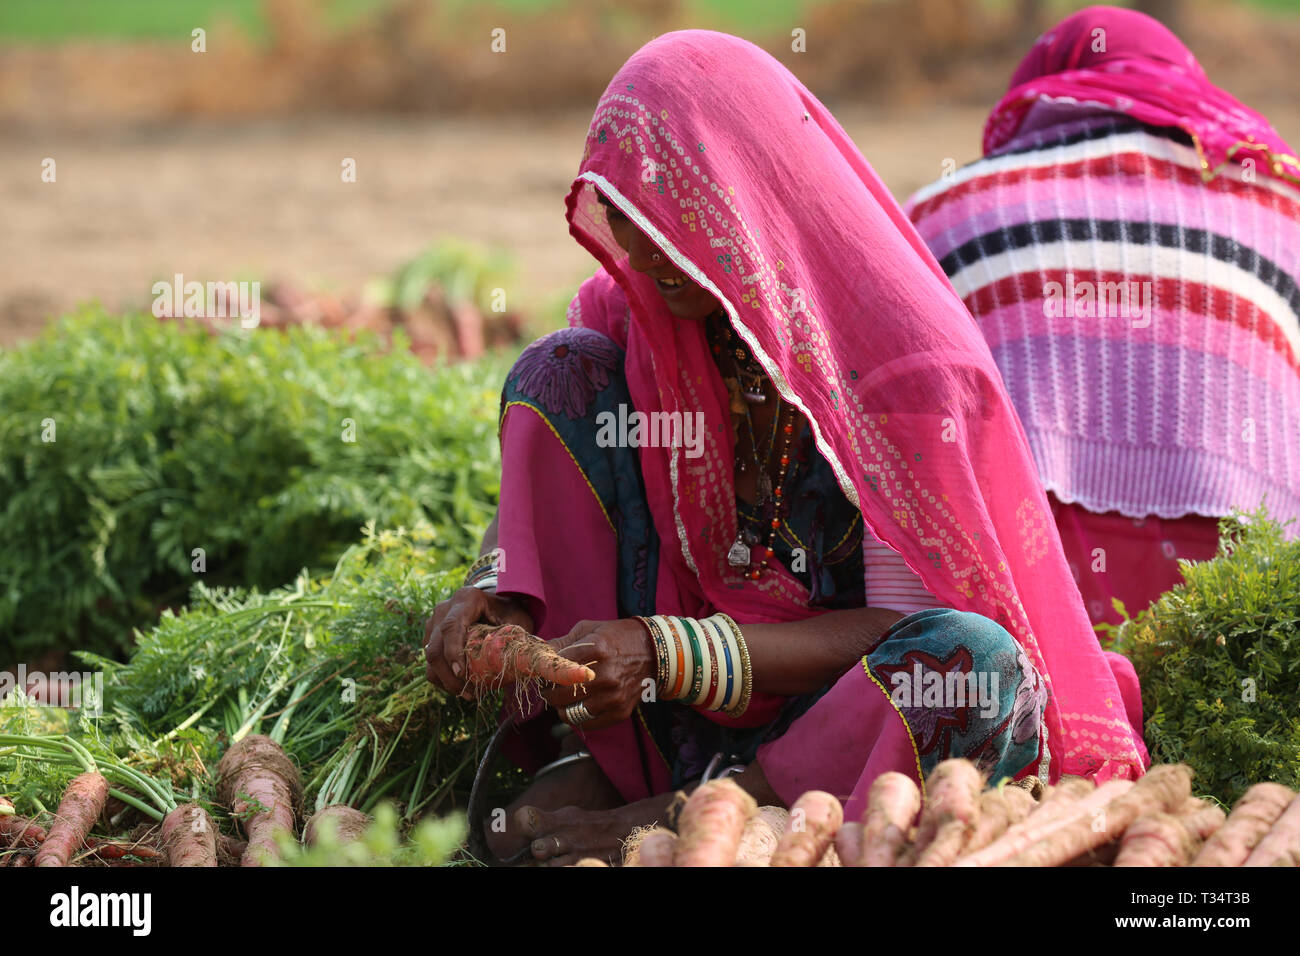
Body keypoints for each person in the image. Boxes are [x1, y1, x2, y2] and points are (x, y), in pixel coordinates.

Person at [424, 29, 1145, 866]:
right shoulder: (654, 310)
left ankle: (686, 812)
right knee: (559, 371)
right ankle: (615, 757)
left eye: (665, 208)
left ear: (744, 196)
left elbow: (907, 627)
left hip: (839, 723)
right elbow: (550, 485)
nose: (636, 243)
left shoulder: (899, 370)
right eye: (621, 208)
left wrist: (667, 651)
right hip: (675, 709)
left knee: (973, 667)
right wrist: (497, 596)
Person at [905, 5, 1300, 629]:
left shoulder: (947, 209)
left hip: (1024, 562)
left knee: (1052, 717)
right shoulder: (1281, 208)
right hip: (1248, 565)